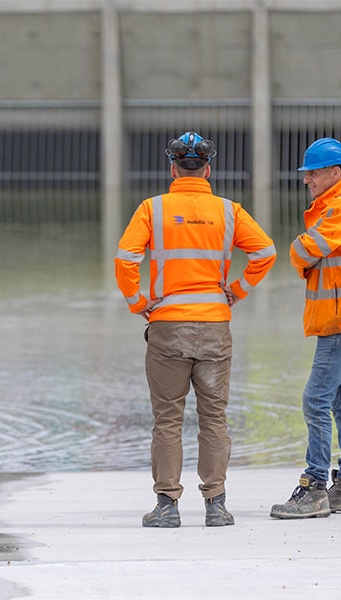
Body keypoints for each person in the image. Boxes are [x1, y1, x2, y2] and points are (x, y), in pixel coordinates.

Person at [115, 131, 276, 528]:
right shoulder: (228, 211)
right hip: (215, 327)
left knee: (168, 419)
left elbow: (125, 260)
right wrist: (235, 291)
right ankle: (216, 505)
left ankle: (167, 506)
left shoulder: (152, 209)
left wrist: (138, 303)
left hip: (168, 326)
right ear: (209, 169)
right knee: (214, 418)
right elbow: (266, 252)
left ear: (172, 169)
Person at [270, 137, 341, 519]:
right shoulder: (340, 207)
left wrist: (303, 258)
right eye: (306, 173)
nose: (307, 180)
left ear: (337, 172)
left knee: (315, 399)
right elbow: (311, 254)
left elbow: (301, 251)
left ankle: (315, 486)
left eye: (314, 173)